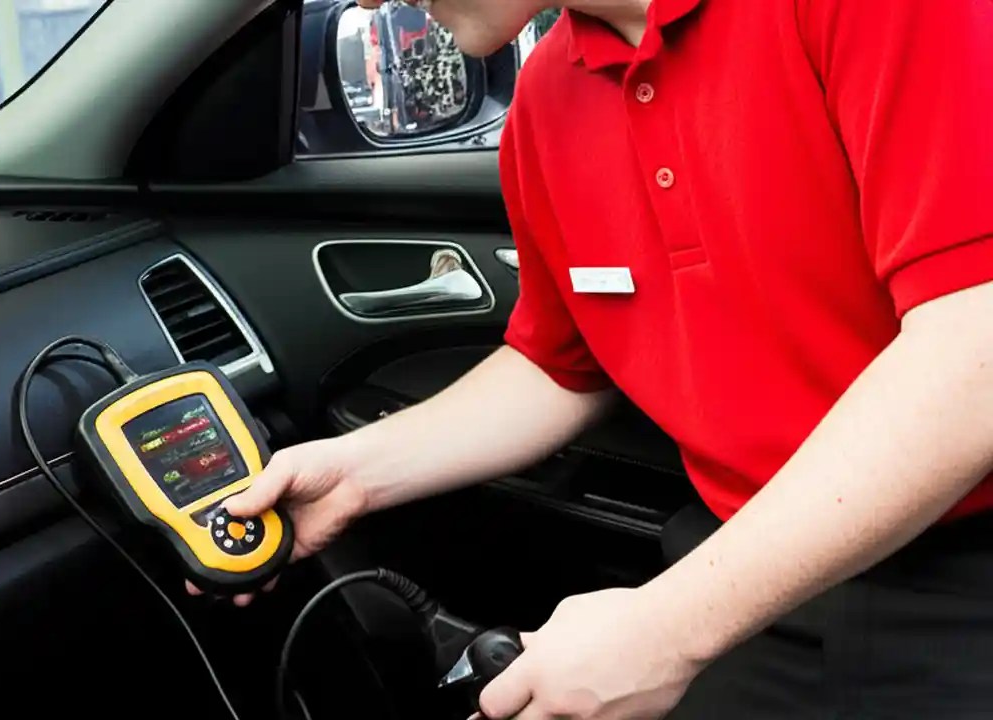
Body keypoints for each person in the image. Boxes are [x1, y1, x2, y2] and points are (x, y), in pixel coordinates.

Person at [195, 0, 993, 717]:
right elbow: (561, 364)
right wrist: (355, 473)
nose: (366, 2)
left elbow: (973, 349)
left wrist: (667, 629)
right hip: (744, 563)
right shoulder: (547, 99)